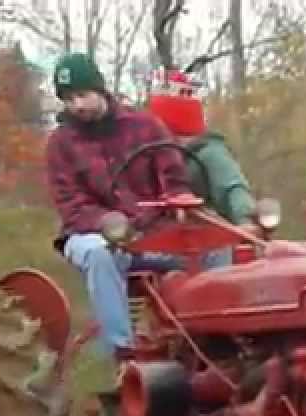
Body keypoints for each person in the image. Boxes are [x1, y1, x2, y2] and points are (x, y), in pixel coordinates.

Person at [44, 53, 194, 362]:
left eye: (83, 95)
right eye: (69, 99)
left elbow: (174, 175)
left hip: (152, 231)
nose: (78, 106)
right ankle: (123, 357)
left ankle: (212, 341)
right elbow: (71, 204)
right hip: (90, 234)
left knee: (214, 245)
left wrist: (176, 204)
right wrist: (111, 223)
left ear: (100, 89)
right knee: (101, 254)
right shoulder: (61, 144)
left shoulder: (146, 126)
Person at [146, 71, 257, 268]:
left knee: (216, 248)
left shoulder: (208, 152)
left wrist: (245, 218)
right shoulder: (143, 154)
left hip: (199, 237)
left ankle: (220, 294)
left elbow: (232, 186)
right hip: (154, 240)